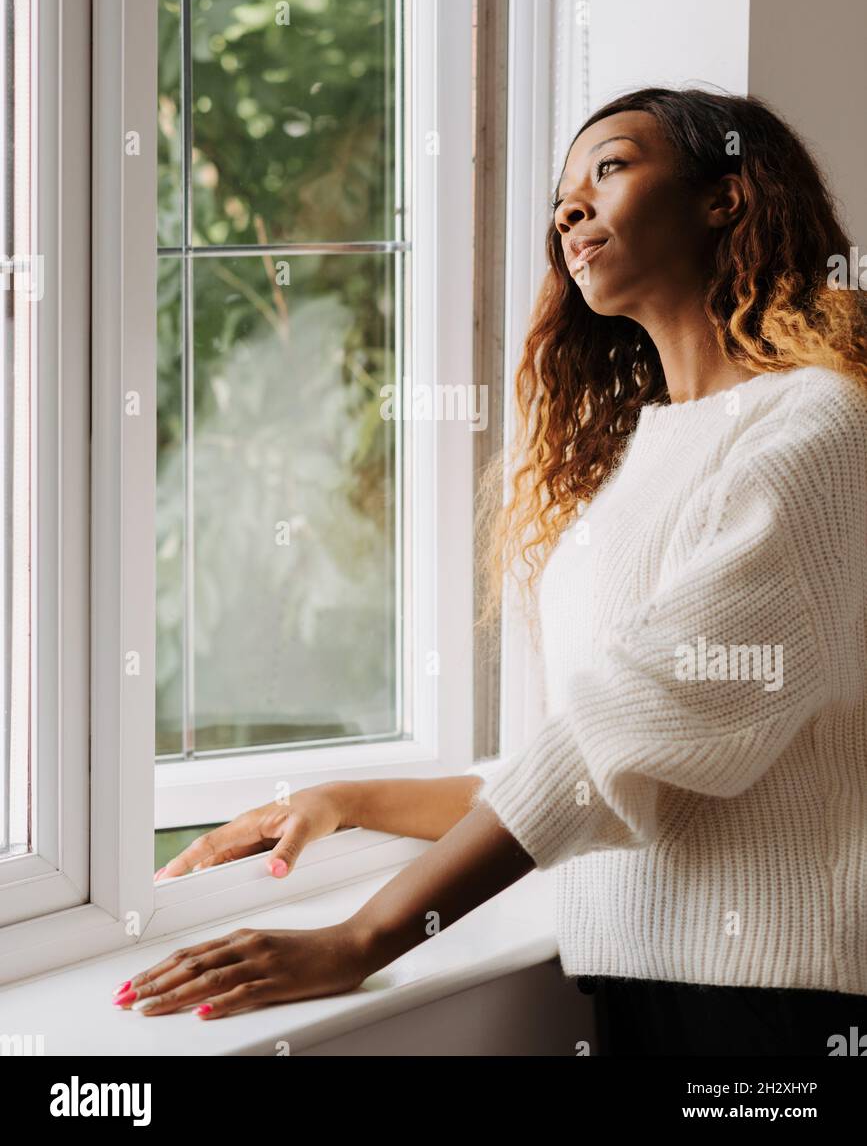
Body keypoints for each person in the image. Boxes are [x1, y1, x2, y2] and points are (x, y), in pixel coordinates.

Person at [114, 87, 867, 1055]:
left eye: (611, 166)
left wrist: (367, 934)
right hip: (641, 979)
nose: (568, 209)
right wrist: (349, 799)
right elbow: (591, 768)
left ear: (725, 198)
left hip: (781, 1000)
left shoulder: (819, 424)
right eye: (561, 193)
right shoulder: (641, 457)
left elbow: (623, 727)